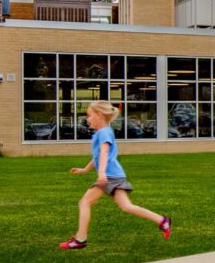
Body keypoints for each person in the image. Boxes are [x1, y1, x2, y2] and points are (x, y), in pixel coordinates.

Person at [60, 100, 172, 249]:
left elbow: (105, 153)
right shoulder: (103, 132)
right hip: (115, 176)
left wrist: (101, 174)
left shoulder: (104, 132)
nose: (87, 119)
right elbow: (98, 156)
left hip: (110, 177)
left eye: (89, 115)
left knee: (85, 203)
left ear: (99, 115)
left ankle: (80, 239)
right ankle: (162, 220)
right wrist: (85, 169)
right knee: (126, 206)